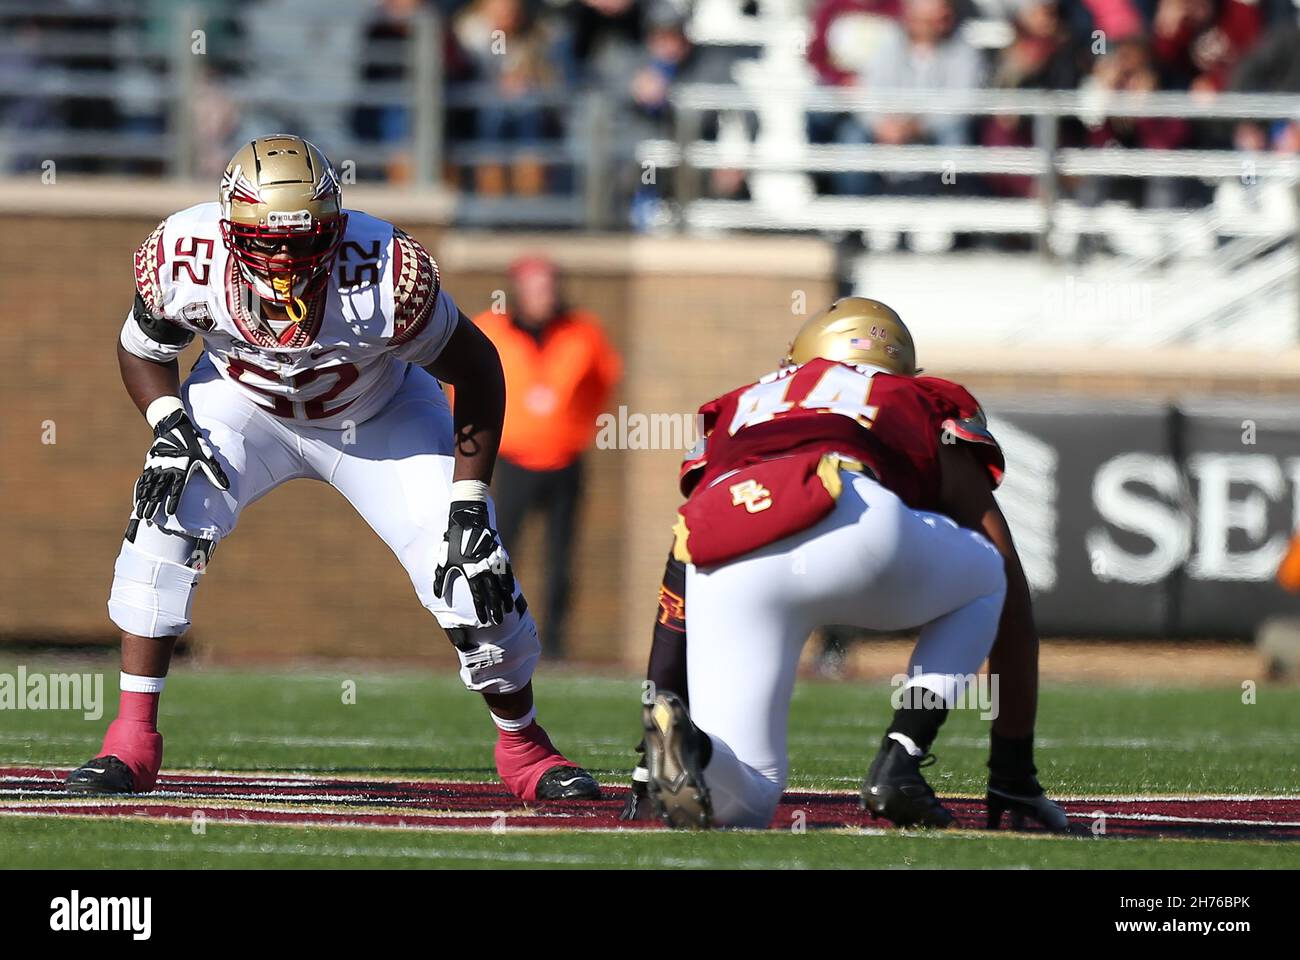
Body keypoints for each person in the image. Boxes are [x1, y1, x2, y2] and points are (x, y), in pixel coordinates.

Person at [65, 135, 601, 803]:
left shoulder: (384, 269)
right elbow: (142, 348)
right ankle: (131, 741)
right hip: (243, 404)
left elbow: (478, 368)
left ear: (336, 224)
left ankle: (524, 747)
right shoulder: (186, 254)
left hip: (380, 412)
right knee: (167, 509)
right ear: (230, 228)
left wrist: (469, 499)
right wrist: (168, 424)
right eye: (270, 239)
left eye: (305, 236)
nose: (288, 256)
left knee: (467, 565)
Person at [626, 297, 1069, 831]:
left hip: (722, 554)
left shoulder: (737, 406)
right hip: (848, 511)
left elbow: (678, 592)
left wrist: (647, 741)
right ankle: (901, 761)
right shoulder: (916, 395)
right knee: (986, 573)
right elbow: (1008, 582)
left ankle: (689, 744)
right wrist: (1012, 773)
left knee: (748, 795)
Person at [471, 256, 622, 658]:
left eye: (548, 286)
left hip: (564, 461)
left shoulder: (582, 332)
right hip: (512, 461)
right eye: (535, 286)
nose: (543, 295)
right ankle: (497, 636)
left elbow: (604, 381)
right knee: (500, 552)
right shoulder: (492, 329)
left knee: (561, 557)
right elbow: (464, 384)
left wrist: (576, 427)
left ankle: (554, 645)